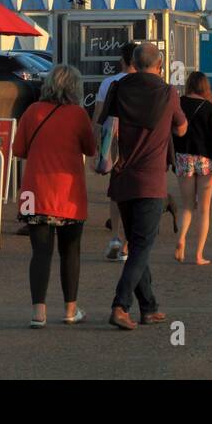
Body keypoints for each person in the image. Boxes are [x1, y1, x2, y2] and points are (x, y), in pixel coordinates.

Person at [101, 43, 188, 330]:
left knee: (138, 243)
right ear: (159, 64)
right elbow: (181, 128)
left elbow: (104, 122)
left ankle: (149, 307)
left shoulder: (119, 87)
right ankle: (120, 305)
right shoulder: (166, 92)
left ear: (134, 63)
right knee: (141, 246)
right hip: (151, 179)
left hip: (122, 177)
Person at [14, 64, 96, 328]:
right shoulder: (78, 115)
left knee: (40, 253)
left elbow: (19, 149)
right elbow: (91, 149)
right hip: (68, 193)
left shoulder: (32, 112)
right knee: (70, 252)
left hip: (35, 191)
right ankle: (71, 310)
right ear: (75, 87)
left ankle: (39, 313)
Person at [173, 72, 212, 265]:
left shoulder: (178, 103)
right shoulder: (210, 108)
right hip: (205, 159)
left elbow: (172, 133)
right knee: (204, 210)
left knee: (187, 206)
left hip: (183, 157)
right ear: (204, 86)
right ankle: (198, 255)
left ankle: (181, 238)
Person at [93, 40, 137, 261]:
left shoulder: (108, 82)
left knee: (115, 189)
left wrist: (96, 146)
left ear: (122, 60)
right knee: (134, 191)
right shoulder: (143, 83)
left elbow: (99, 116)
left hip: (113, 142)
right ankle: (128, 243)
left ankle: (115, 236)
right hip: (137, 142)